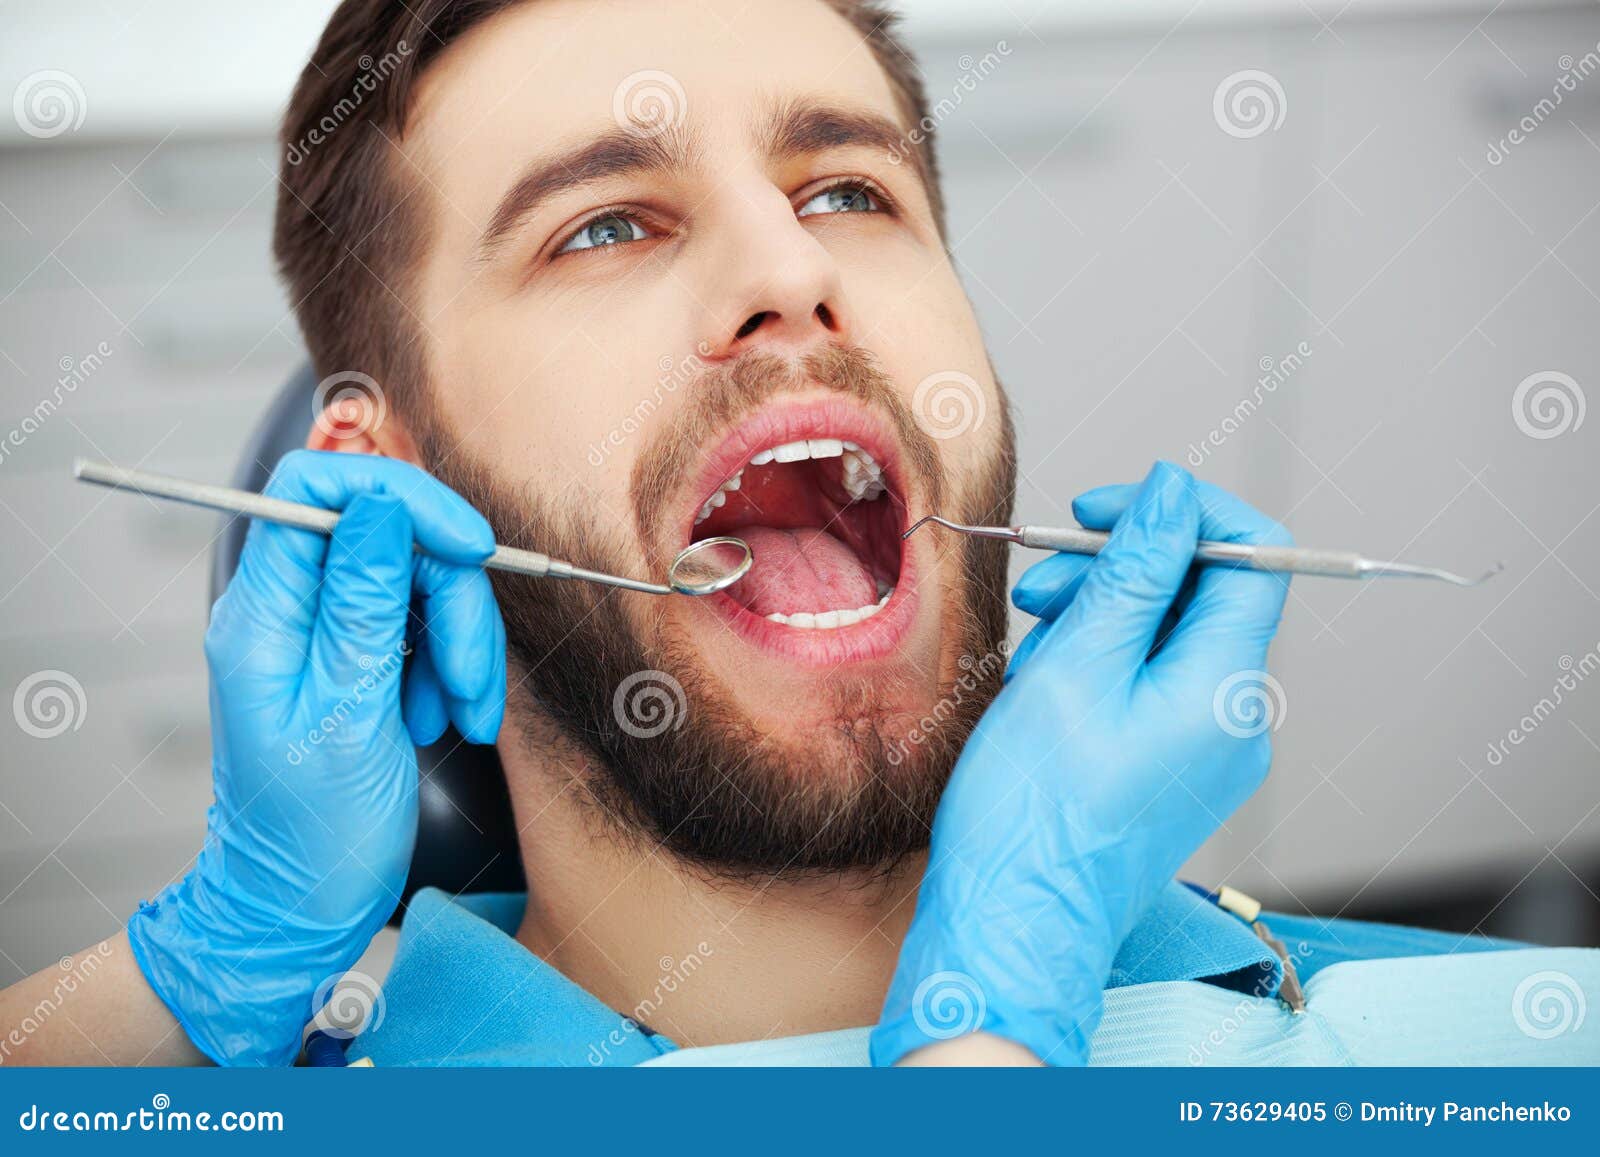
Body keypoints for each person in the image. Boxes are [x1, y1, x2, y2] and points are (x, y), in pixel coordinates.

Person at [0, 0, 1514, 1068]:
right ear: (391, 474)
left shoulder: (1480, 1045)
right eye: (603, 223)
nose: (789, 268)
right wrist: (206, 959)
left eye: (848, 189)